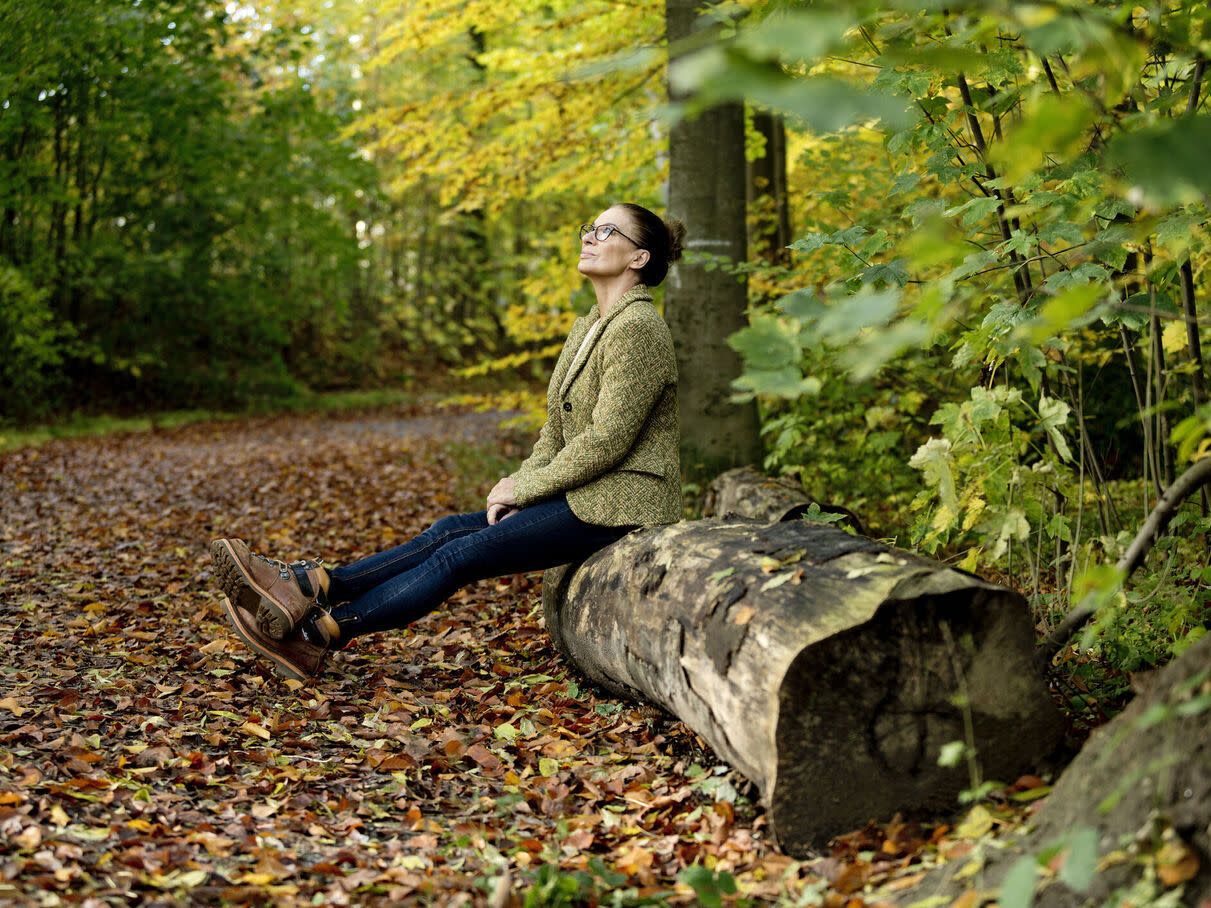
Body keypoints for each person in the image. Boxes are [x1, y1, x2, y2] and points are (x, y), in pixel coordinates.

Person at [210, 202, 686, 681]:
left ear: (638, 258)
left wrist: (526, 491)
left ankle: (318, 634)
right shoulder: (590, 325)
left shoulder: (638, 328)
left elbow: (608, 439)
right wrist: (521, 482)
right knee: (447, 531)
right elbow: (557, 431)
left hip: (626, 502)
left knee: (462, 555)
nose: (589, 236)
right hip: (588, 496)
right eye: (590, 227)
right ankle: (311, 583)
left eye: (606, 231)